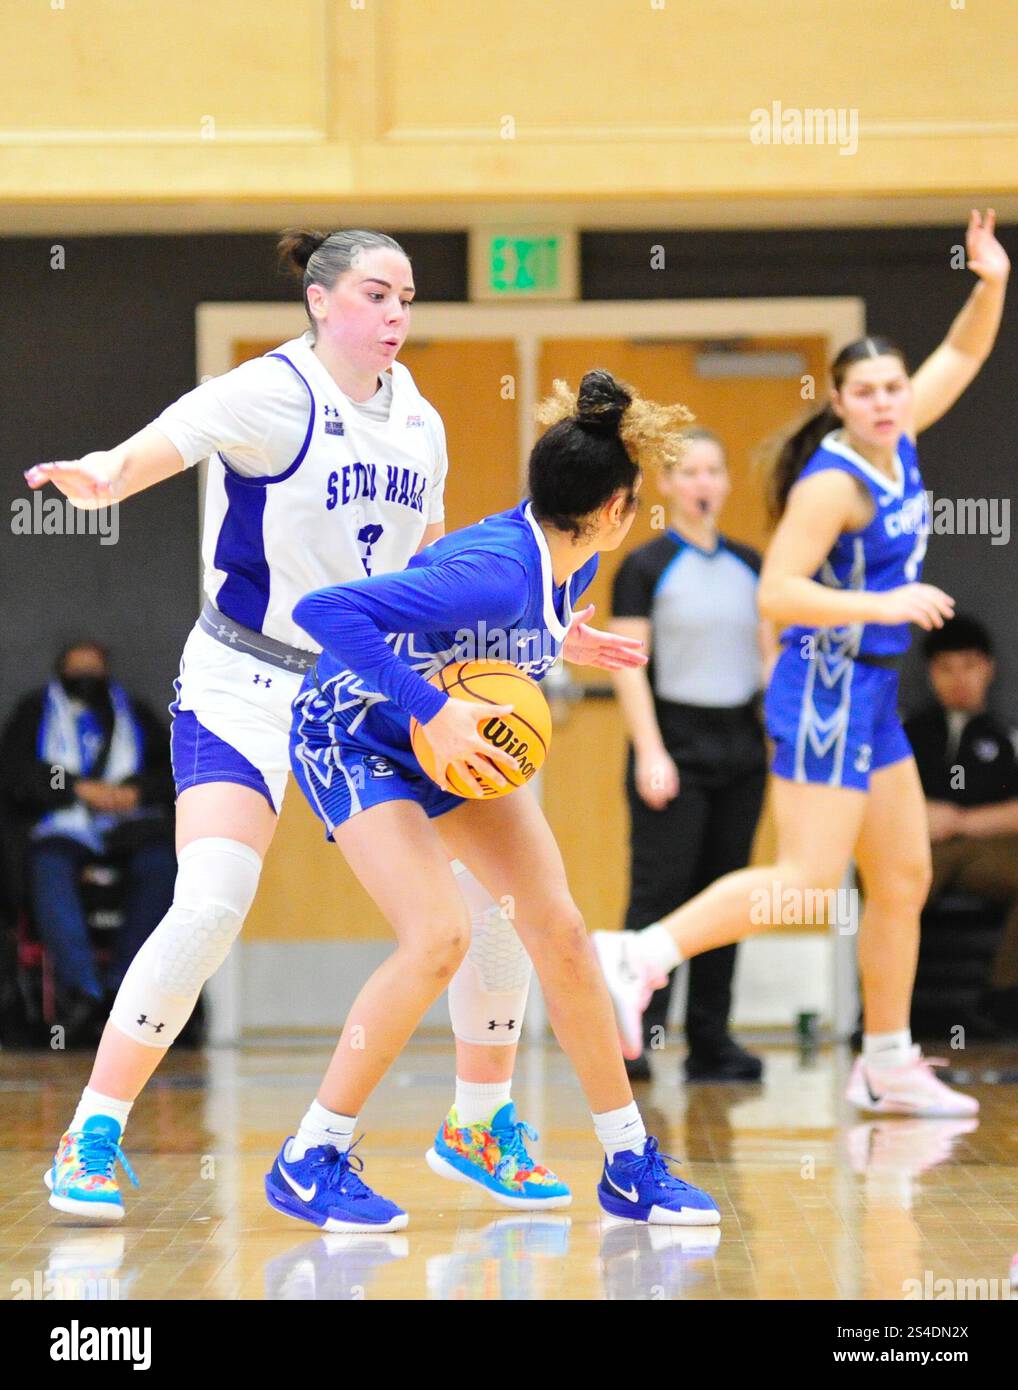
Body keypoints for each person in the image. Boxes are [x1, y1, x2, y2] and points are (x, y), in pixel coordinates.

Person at [25, 228, 532, 1221]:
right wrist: (104, 473)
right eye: (377, 295)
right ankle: (92, 1130)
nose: (397, 315)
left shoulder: (418, 420)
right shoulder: (272, 392)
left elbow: (426, 574)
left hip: (357, 687)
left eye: (408, 298)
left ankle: (480, 1122)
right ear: (318, 299)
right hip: (243, 679)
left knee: (493, 895)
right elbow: (158, 445)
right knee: (212, 899)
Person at [266, 370, 722, 1231]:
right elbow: (324, 611)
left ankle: (627, 1161)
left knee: (559, 931)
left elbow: (496, 629)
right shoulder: (497, 573)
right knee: (441, 934)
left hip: (447, 741)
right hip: (354, 733)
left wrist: (561, 637)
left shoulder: (553, 567)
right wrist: (432, 709)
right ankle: (309, 1156)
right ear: (618, 509)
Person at [594, 210, 1009, 1117]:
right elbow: (777, 593)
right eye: (868, 392)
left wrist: (991, 282)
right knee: (808, 881)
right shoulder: (832, 482)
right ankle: (637, 954)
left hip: (866, 690)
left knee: (903, 876)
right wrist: (882, 603)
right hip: (822, 685)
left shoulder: (898, 440)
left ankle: (889, 1059)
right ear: (841, 398)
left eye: (896, 386)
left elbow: (964, 358)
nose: (889, 400)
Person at [611, 426, 771, 1084]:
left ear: (727, 482)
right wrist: (651, 750)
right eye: (690, 472)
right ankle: (637, 1039)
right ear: (670, 486)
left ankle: (712, 1040)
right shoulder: (645, 566)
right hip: (673, 743)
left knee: (727, 891)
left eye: (714, 471)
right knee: (661, 891)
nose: (703, 483)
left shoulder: (752, 565)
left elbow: (769, 658)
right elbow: (628, 666)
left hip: (741, 745)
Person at [0, 641, 176, 1046]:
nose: (86, 679)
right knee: (48, 868)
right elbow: (17, 773)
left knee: (161, 865)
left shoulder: (134, 713)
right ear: (61, 673)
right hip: (63, 824)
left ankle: (122, 989)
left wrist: (133, 793)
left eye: (94, 669)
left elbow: (167, 770)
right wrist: (77, 789)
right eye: (77, 670)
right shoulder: (36, 712)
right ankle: (84, 990)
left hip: (130, 825)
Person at [906, 615, 1018, 1035]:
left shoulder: (1005, 735)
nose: (959, 679)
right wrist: (920, 817)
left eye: (968, 666)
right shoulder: (905, 733)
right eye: (946, 668)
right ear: (930, 672)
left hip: (985, 849)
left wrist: (962, 821)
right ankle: (884, 1008)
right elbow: (869, 799)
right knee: (895, 886)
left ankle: (1003, 999)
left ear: (988, 668)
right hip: (917, 850)